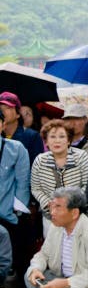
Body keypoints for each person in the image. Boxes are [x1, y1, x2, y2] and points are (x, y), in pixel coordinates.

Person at [31, 120, 88, 236]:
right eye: (52, 137)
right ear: (46, 141)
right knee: (53, 245)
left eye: (62, 136)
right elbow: (36, 188)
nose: (57, 141)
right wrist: (49, 204)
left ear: (69, 140)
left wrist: (71, 203)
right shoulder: (40, 160)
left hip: (76, 212)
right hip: (51, 214)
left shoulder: (81, 156)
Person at [0, 107, 30, 276]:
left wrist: (17, 212)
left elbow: (23, 182)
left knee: (10, 266)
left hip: (8, 216)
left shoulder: (16, 148)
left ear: (3, 125)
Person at [1, 91, 44, 166]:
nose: (2, 111)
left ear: (18, 114)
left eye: (8, 108)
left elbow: (36, 167)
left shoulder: (31, 136)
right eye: (0, 108)